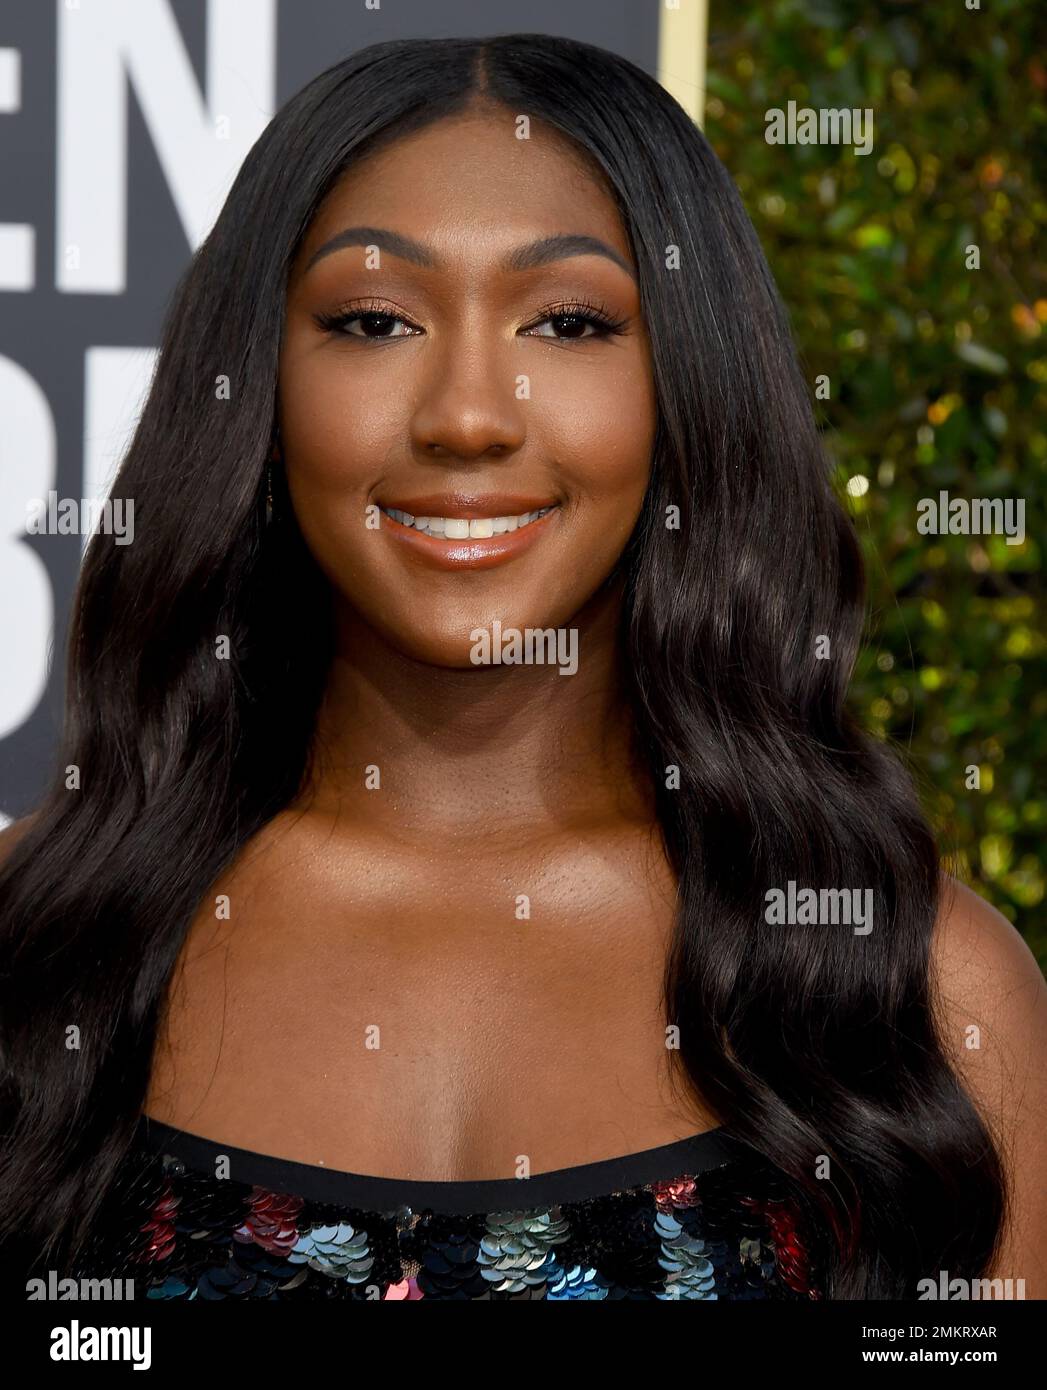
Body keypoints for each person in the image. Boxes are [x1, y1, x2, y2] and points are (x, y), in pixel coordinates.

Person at [1, 32, 1044, 1302]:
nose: (469, 414)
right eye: (374, 319)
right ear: (259, 386)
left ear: (687, 386)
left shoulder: (916, 991)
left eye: (568, 321)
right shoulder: (36, 943)